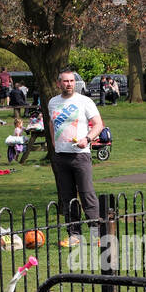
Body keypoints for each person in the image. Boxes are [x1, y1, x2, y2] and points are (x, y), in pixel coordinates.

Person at [47, 69, 104, 247]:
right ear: (59, 83)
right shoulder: (53, 102)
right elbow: (51, 123)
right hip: (61, 157)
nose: (69, 84)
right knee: (68, 197)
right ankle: (74, 235)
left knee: (87, 194)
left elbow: (98, 124)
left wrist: (87, 139)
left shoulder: (84, 101)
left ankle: (97, 234)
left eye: (71, 81)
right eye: (65, 81)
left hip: (80, 156)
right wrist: (55, 145)